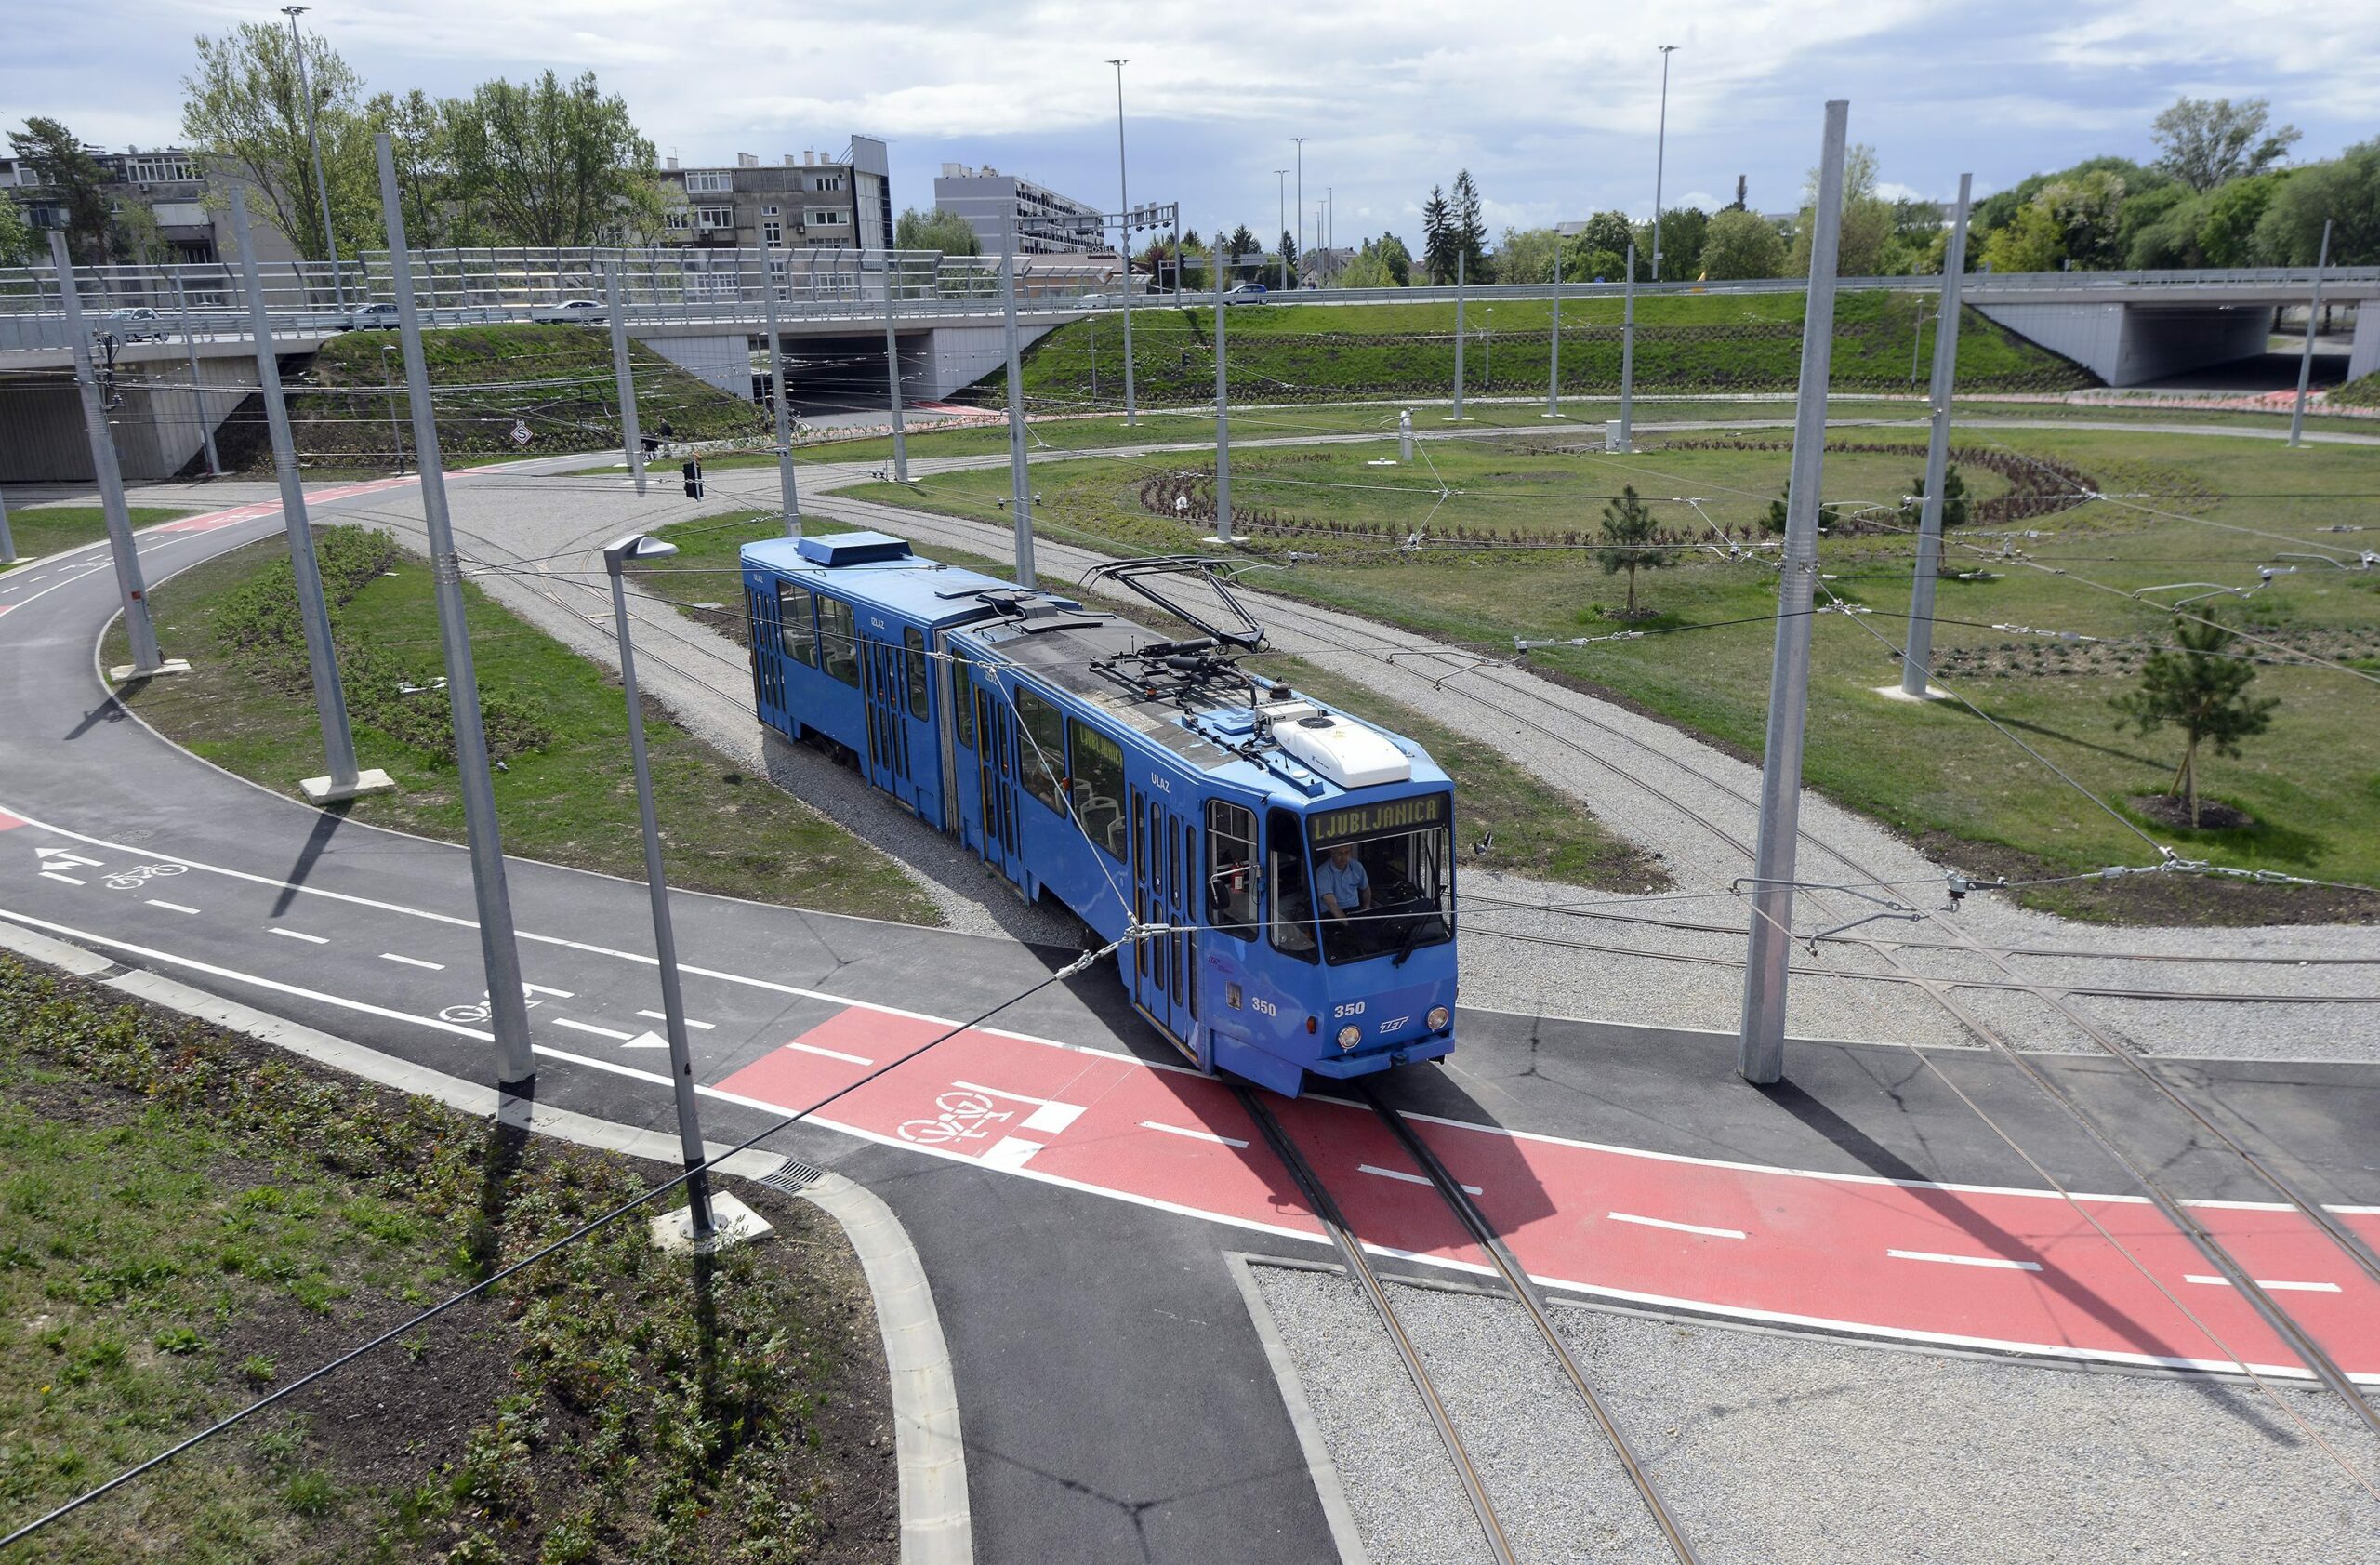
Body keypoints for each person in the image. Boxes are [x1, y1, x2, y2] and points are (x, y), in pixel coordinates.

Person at [1316, 842, 1372, 955]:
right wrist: (1349, 925)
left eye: (1347, 852)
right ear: (1332, 852)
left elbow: (1366, 888)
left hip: (1354, 910)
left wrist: (1366, 906)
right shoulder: (1322, 873)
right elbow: (1332, 905)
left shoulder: (1356, 866)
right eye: (1340, 853)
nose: (1344, 857)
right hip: (1331, 915)